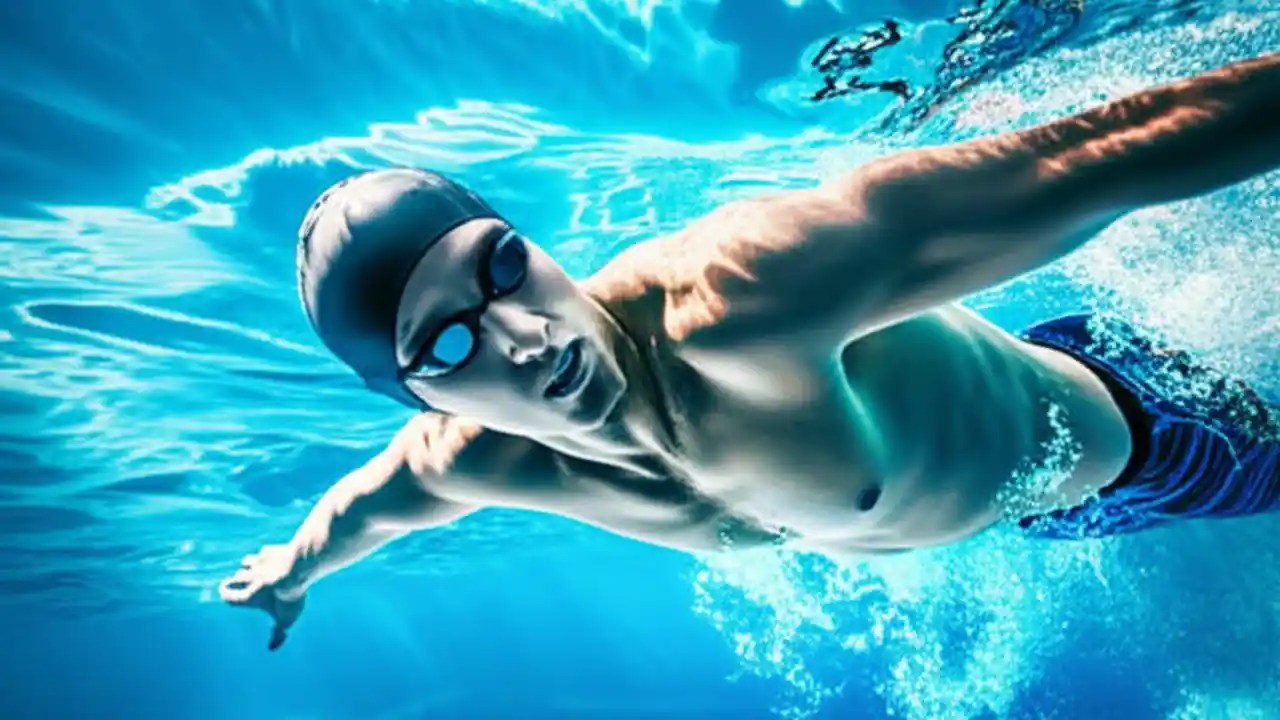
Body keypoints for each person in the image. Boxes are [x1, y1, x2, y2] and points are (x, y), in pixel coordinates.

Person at [221, 53, 1280, 650]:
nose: (525, 337)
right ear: (419, 397)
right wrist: (290, 571)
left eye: (500, 267)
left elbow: (1101, 156)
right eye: (452, 344)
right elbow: (360, 512)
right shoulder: (468, 458)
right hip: (1040, 505)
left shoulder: (742, 299)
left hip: (1157, 435)